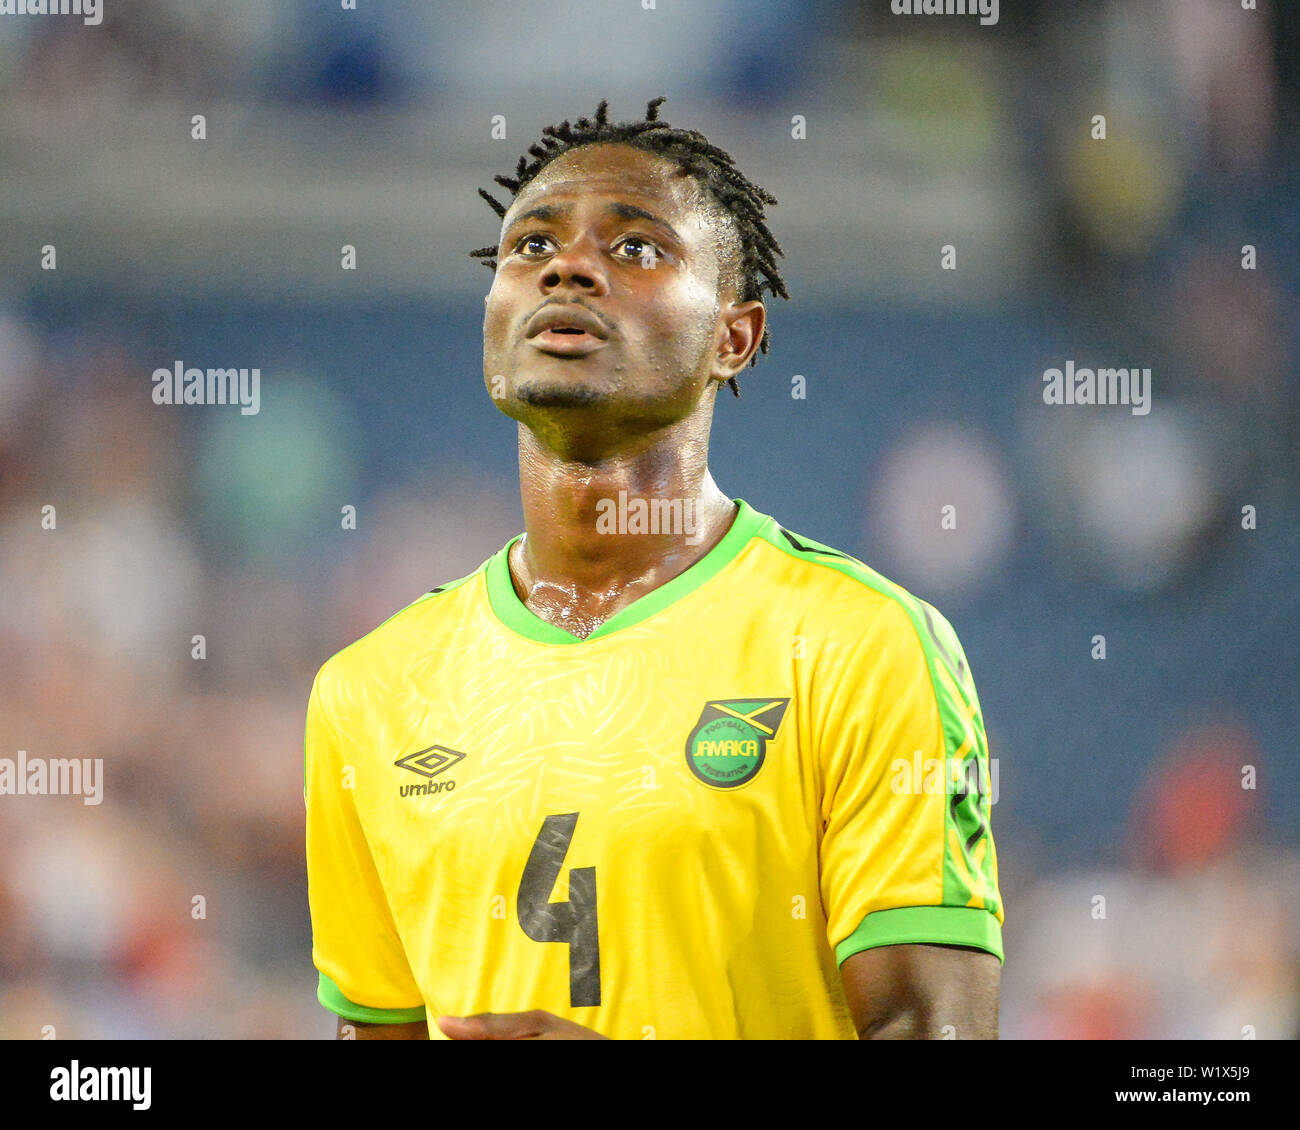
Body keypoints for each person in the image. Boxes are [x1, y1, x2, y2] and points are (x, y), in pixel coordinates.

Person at [305, 98, 1002, 1040]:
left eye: (635, 248)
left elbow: (935, 1033)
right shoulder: (368, 693)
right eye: (529, 245)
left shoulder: (864, 649)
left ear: (734, 337)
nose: (567, 265)